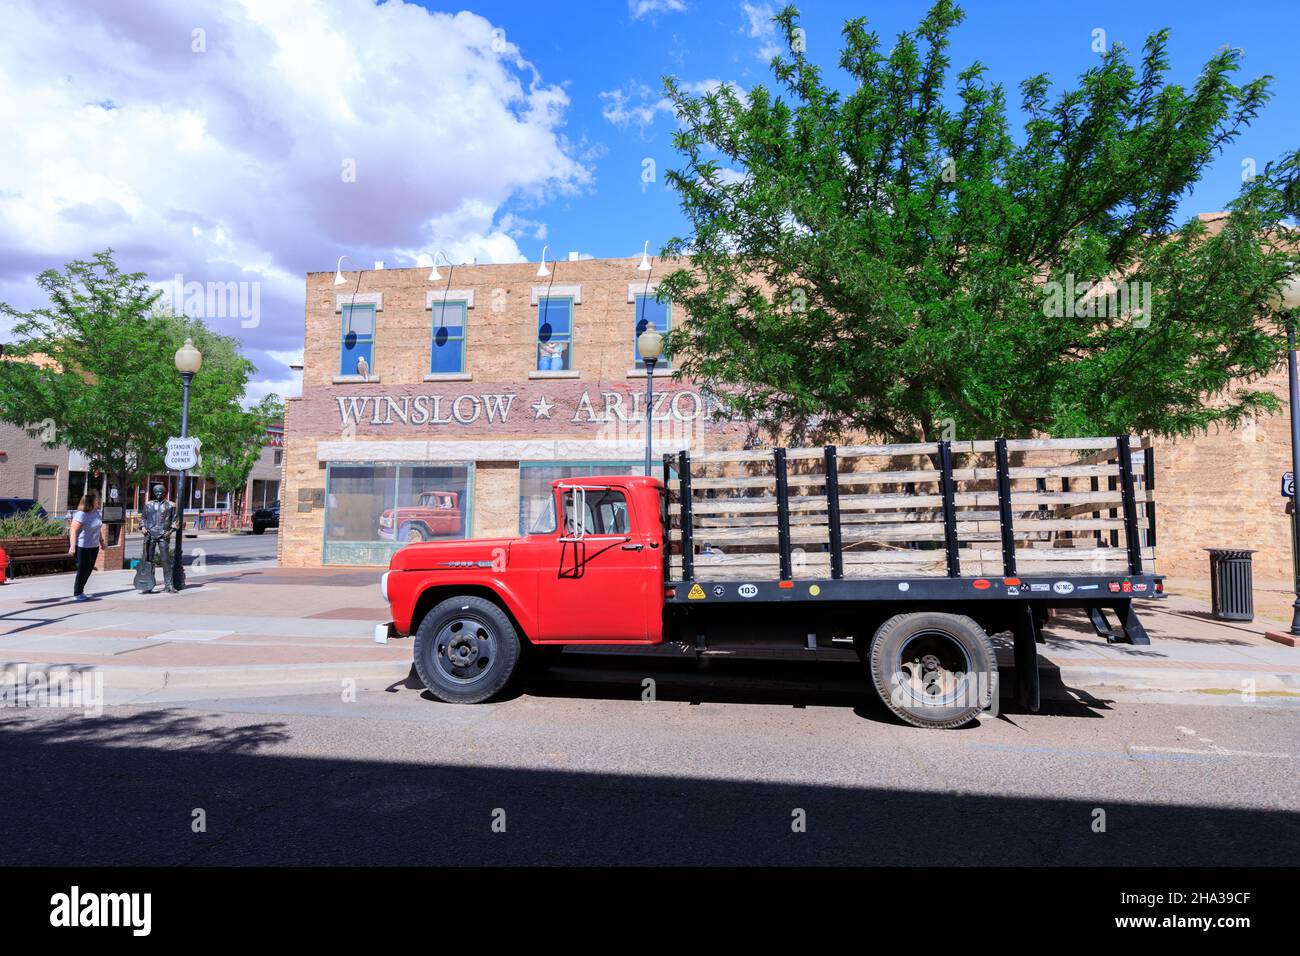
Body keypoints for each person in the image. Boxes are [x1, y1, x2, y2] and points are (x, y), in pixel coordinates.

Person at [67, 492, 107, 601]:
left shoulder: (96, 513)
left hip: (94, 546)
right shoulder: (81, 514)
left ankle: (81, 590)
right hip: (83, 546)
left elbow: (98, 528)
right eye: (96, 500)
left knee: (89, 569)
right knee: (83, 569)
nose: (98, 501)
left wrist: (102, 542)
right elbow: (73, 530)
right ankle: (77, 592)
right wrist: (72, 546)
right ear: (90, 502)